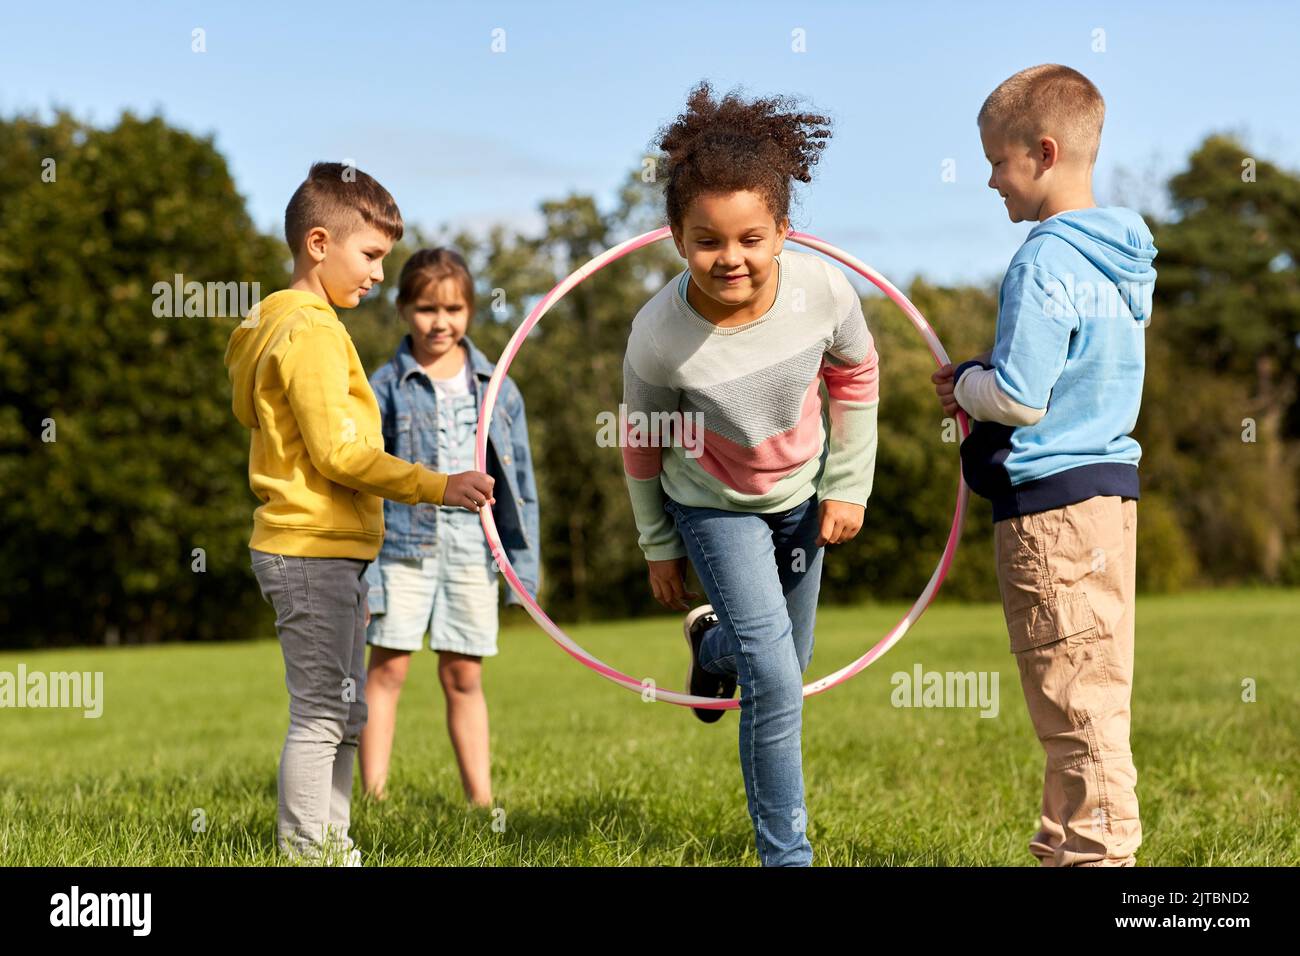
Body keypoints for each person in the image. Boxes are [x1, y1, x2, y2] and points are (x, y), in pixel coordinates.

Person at [621, 83, 881, 866]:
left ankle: (712, 652)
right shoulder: (659, 335)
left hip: (800, 493)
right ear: (675, 237)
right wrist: (657, 542)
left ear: (783, 233)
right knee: (774, 676)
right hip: (710, 504)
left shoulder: (824, 292)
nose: (729, 258)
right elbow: (640, 440)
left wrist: (849, 483)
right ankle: (786, 856)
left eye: (750, 238)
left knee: (784, 666)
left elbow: (857, 377)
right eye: (707, 241)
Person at [224, 163, 495, 863]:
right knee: (322, 714)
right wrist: (438, 485)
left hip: (330, 549)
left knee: (345, 711)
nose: (378, 274)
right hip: (309, 549)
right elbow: (339, 456)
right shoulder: (311, 331)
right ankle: (310, 852)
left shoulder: (278, 323)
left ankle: (333, 844)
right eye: (370, 255)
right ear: (319, 242)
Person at [932, 64, 1157, 866]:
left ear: (1045, 151)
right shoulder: (1124, 256)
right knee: (1091, 685)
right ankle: (1062, 849)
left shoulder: (1043, 260)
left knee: (1074, 701)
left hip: (1052, 512)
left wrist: (965, 384)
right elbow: (1075, 373)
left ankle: (1101, 858)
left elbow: (1023, 398)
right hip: (1108, 501)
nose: (990, 179)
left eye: (998, 160)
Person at [359, 248, 540, 807]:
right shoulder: (384, 384)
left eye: (454, 308)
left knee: (464, 675)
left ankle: (481, 802)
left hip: (472, 550)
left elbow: (522, 482)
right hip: (400, 548)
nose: (440, 322)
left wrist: (521, 565)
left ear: (470, 311)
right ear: (403, 309)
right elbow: (363, 470)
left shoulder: (497, 387)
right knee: (386, 671)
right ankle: (374, 797)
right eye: (426, 308)